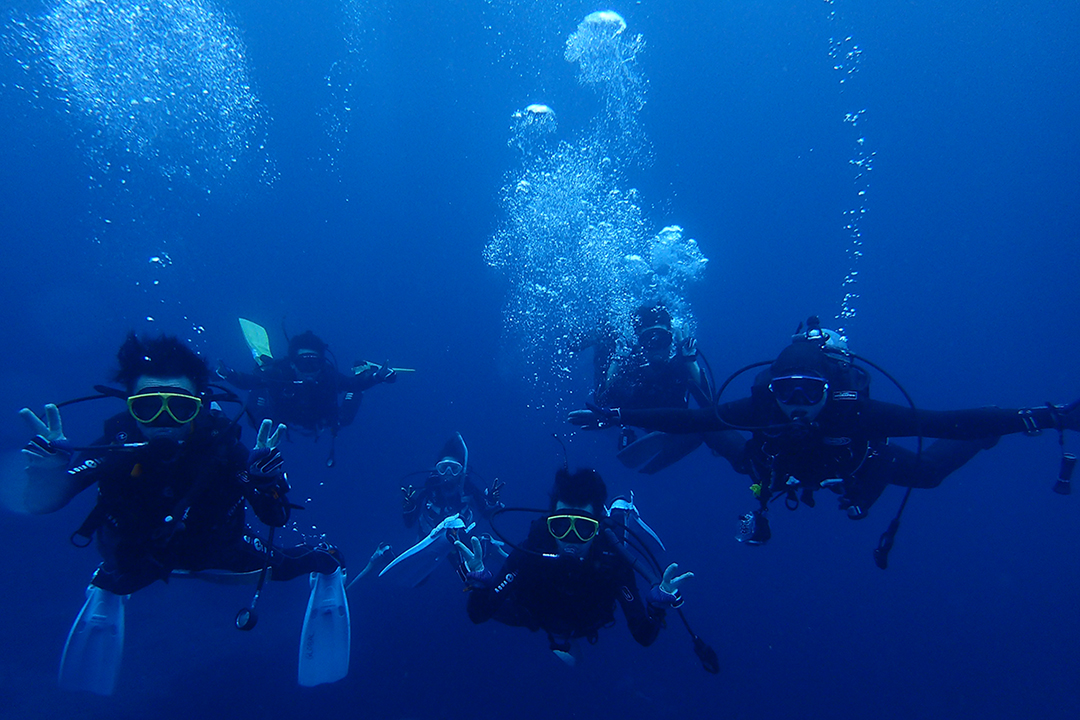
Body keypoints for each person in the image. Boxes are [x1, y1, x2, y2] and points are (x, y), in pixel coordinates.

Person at [19, 333, 348, 692]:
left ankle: (328, 565)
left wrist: (265, 482)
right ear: (129, 406)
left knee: (299, 561)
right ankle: (107, 583)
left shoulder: (223, 450)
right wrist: (45, 476)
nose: (162, 420)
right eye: (147, 407)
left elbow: (275, 518)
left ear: (199, 406)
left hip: (220, 549)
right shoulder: (116, 449)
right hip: (135, 559)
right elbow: (41, 504)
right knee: (119, 571)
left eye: (179, 407)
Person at [570, 317, 1080, 546]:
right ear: (774, 387)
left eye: (808, 392)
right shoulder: (764, 404)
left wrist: (1039, 416)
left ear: (829, 389)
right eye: (786, 390)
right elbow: (698, 419)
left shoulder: (852, 411)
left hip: (853, 464)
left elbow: (942, 422)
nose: (796, 404)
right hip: (772, 467)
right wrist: (619, 416)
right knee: (718, 431)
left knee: (929, 473)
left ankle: (992, 430)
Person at [455, 467, 692, 665]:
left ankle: (620, 512)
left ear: (596, 528)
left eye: (584, 528)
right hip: (533, 615)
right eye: (560, 526)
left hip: (584, 621)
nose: (570, 538)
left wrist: (656, 608)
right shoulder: (530, 551)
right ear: (549, 524)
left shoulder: (612, 560)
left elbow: (643, 635)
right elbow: (479, 614)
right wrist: (480, 584)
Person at [594, 303, 745, 474]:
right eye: (650, 340)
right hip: (638, 418)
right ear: (640, 342)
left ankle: (752, 462)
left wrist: (690, 360)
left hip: (675, 422)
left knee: (711, 426)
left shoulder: (680, 363)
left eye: (662, 339)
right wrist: (617, 360)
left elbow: (711, 406)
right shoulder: (632, 364)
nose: (657, 347)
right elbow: (601, 402)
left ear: (671, 340)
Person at [219, 330, 397, 462]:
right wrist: (230, 374)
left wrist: (377, 377)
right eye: (304, 364)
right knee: (257, 417)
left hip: (318, 416)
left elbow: (352, 384)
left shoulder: (328, 375)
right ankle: (265, 366)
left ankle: (362, 370)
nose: (310, 371)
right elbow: (248, 381)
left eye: (315, 364)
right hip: (282, 412)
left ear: (322, 363)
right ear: (293, 365)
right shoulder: (282, 374)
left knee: (345, 419)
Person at [402, 433, 502, 539]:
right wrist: (410, 508)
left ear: (461, 472)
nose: (448, 473)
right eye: (443, 468)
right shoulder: (430, 489)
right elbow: (409, 523)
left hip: (460, 539)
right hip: (428, 537)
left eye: (454, 469)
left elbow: (486, 514)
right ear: (437, 471)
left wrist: (491, 502)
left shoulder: (468, 489)